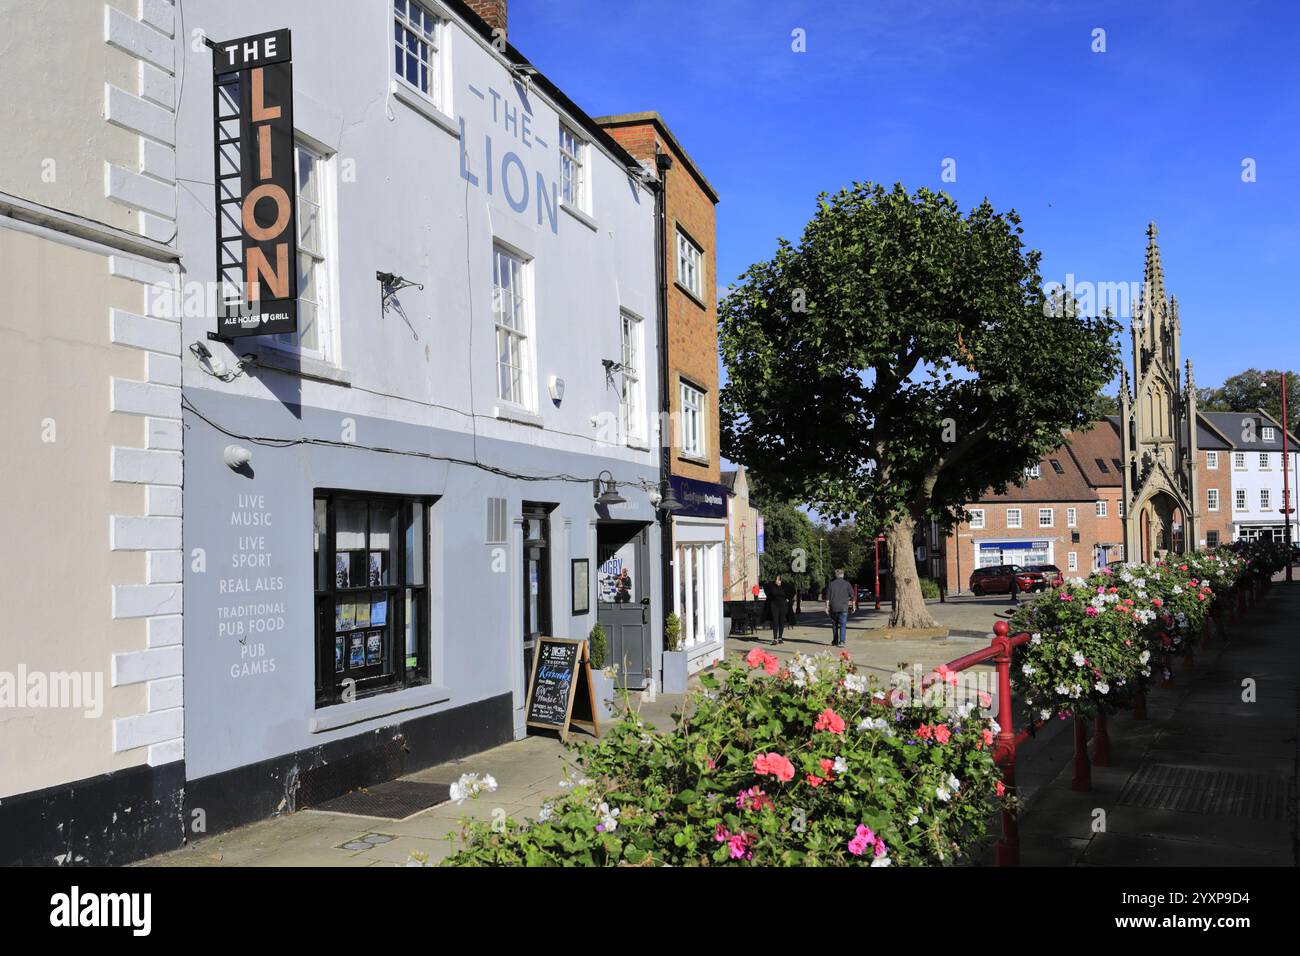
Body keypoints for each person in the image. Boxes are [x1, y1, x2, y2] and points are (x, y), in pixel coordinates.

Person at [826, 569, 854, 647]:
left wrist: (826, 607)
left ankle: (835, 641)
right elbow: (852, 595)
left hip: (833, 607)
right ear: (843, 575)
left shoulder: (831, 584)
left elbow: (827, 597)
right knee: (843, 624)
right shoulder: (847, 584)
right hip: (844, 608)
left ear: (836, 575)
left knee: (834, 625)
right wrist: (853, 606)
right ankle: (842, 641)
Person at [769, 575, 789, 645]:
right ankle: (775, 639)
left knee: (781, 621)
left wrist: (788, 599)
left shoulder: (784, 587)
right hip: (774, 605)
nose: (777, 581)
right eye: (776, 580)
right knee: (775, 621)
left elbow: (788, 594)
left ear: (781, 580)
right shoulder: (772, 587)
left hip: (783, 605)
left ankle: (780, 638)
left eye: (778, 580)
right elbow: (770, 594)